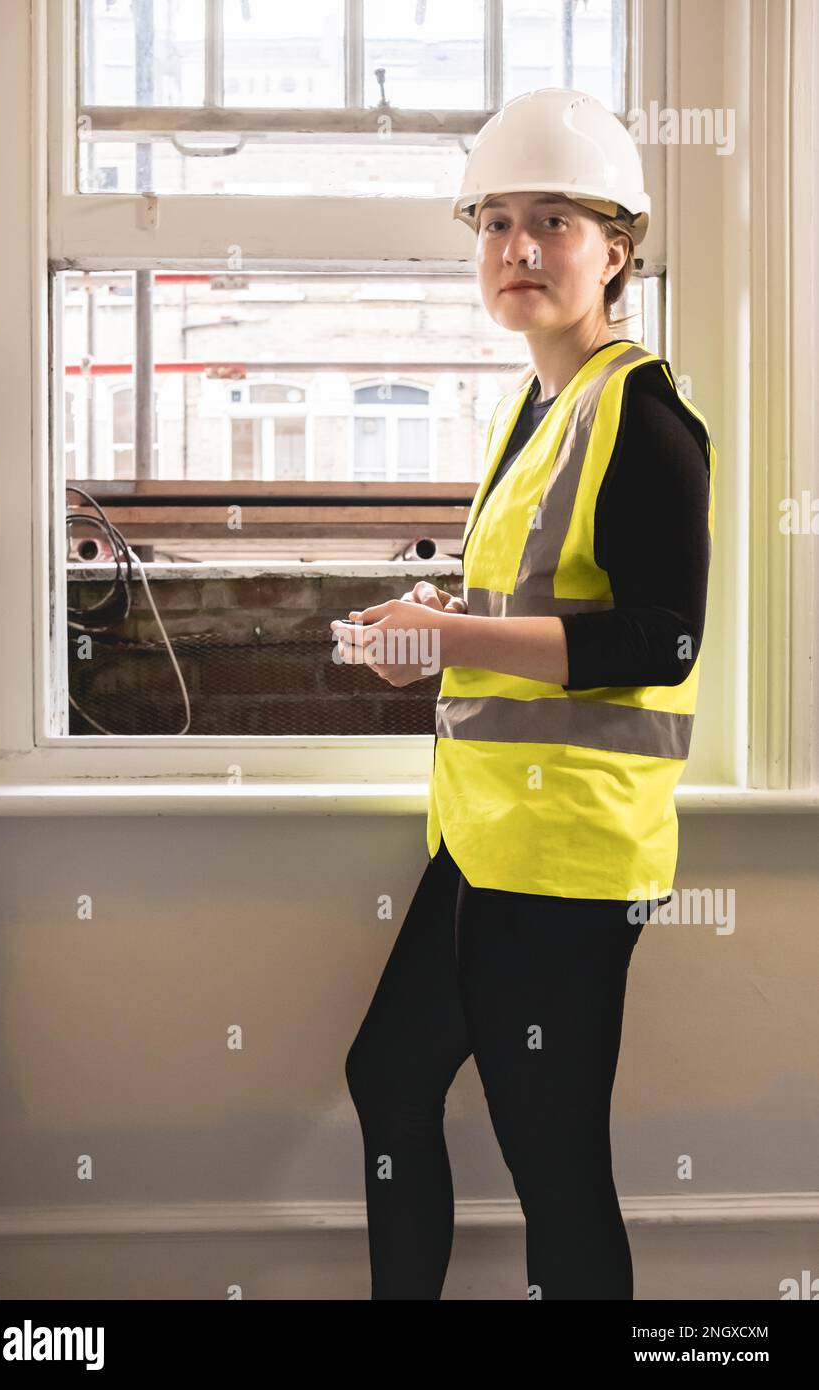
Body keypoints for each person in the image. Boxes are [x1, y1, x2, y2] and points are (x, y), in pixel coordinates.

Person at [331, 88, 716, 1300]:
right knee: (388, 1077)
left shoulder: (642, 414)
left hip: (563, 861)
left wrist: (452, 638)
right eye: (495, 222)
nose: (518, 248)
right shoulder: (535, 406)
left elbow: (659, 638)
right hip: (487, 842)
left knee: (554, 1166)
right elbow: (523, 616)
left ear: (615, 251)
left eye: (553, 220)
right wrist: (430, 630)